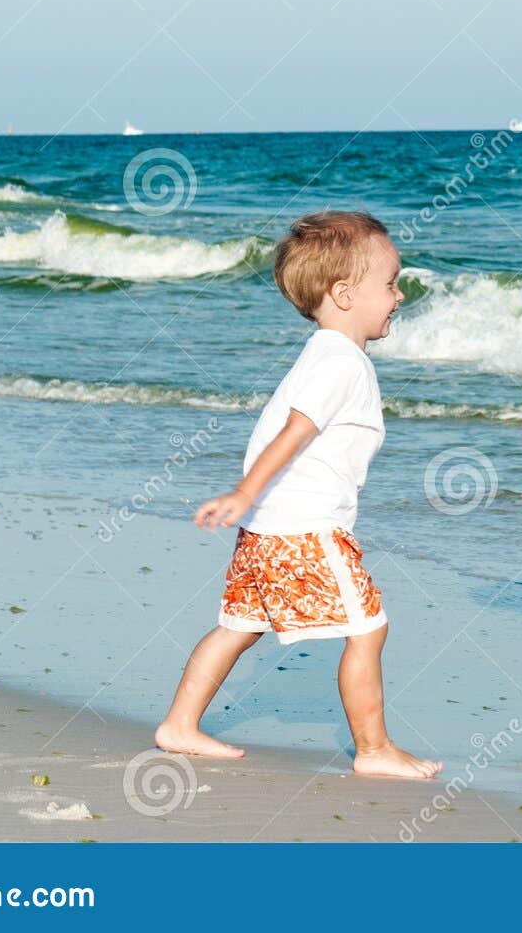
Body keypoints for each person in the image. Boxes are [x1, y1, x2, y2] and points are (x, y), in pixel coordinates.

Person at [154, 210, 443, 780]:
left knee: (238, 626)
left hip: (268, 527)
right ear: (344, 294)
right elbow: (296, 431)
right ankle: (374, 749)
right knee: (368, 627)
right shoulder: (341, 363)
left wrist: (250, 501)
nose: (399, 295)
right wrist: (244, 492)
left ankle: (180, 725)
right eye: (390, 283)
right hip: (303, 527)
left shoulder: (324, 353)